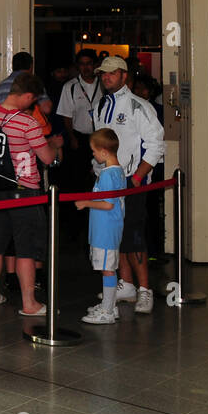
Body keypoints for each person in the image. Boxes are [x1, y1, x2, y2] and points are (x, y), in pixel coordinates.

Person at [0, 73, 56, 315]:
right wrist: (55, 145)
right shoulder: (28, 123)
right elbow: (46, 158)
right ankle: (29, 303)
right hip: (24, 191)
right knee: (25, 249)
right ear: (28, 96)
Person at [90, 55, 164, 315]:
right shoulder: (100, 106)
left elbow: (155, 145)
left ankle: (145, 290)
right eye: (103, 74)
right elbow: (100, 145)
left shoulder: (139, 106)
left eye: (112, 73)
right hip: (108, 183)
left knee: (134, 236)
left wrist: (136, 177)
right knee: (114, 237)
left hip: (132, 183)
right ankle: (127, 285)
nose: (106, 77)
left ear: (124, 75)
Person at [77, 128, 126, 325]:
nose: (93, 155)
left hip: (106, 231)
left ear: (104, 151)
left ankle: (107, 311)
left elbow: (108, 204)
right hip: (106, 229)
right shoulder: (117, 171)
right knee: (108, 268)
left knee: (107, 269)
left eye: (94, 151)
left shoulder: (108, 174)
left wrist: (86, 202)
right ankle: (110, 305)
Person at [57, 48, 101, 185]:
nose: (86, 67)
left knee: (100, 176)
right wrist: (72, 137)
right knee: (79, 177)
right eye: (82, 64)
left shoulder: (103, 84)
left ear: (95, 65)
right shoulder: (70, 86)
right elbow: (66, 115)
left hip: (100, 138)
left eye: (89, 63)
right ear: (78, 66)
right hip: (80, 138)